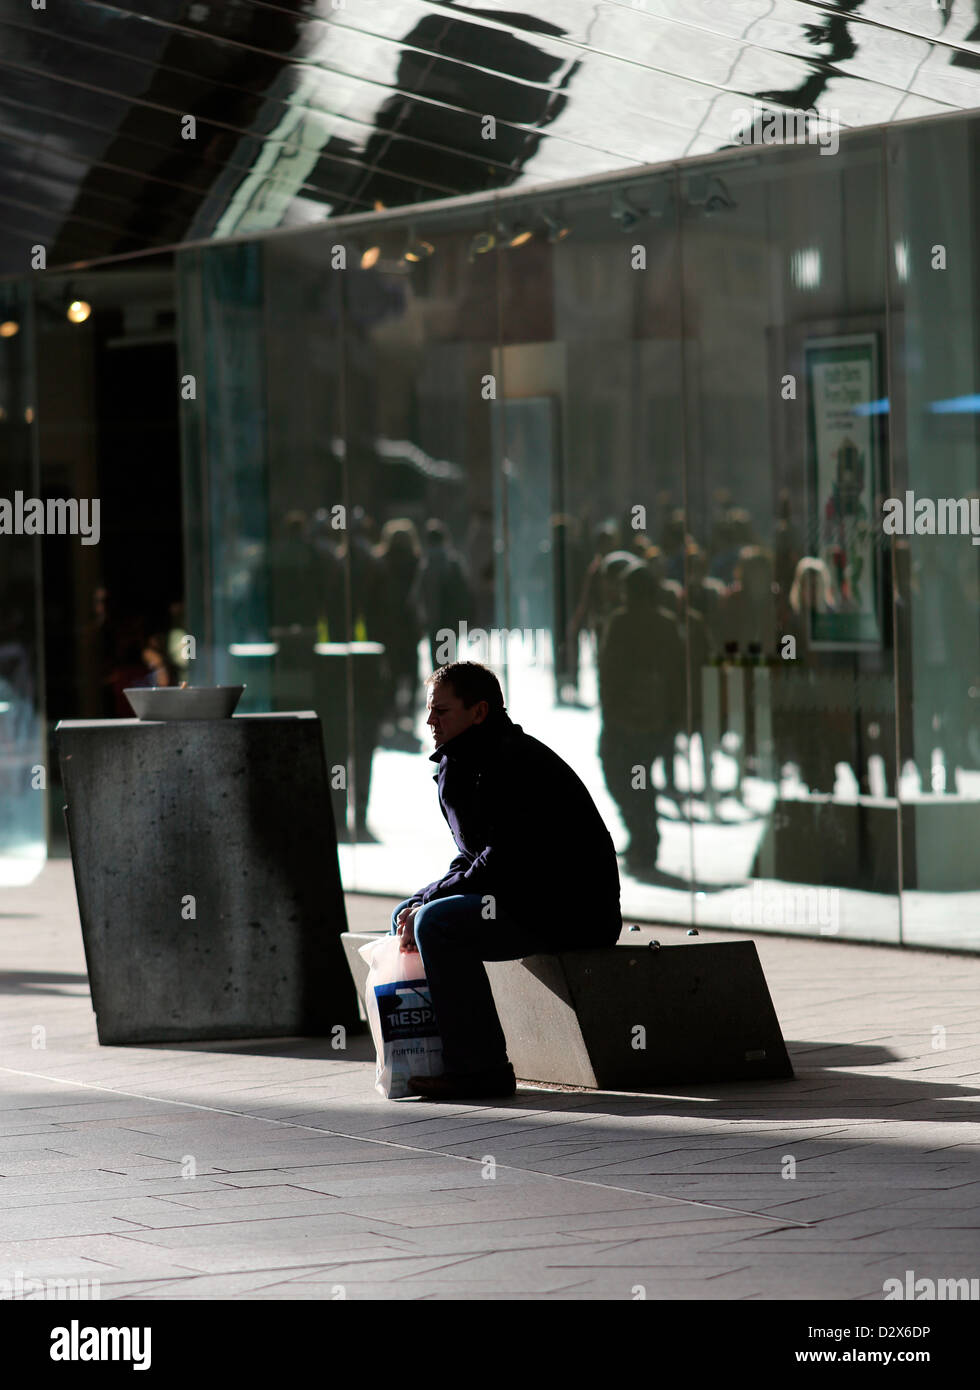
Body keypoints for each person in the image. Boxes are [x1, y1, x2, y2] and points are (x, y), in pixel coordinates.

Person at [390, 661, 622, 1100]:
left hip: (572, 911)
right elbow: (474, 856)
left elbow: (504, 856)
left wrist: (432, 903)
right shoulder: (464, 762)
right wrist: (422, 897)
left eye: (441, 711)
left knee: (436, 923)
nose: (429, 721)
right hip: (525, 900)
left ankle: (480, 1069)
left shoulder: (511, 760)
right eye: (429, 710)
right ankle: (427, 1058)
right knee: (408, 914)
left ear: (478, 712)